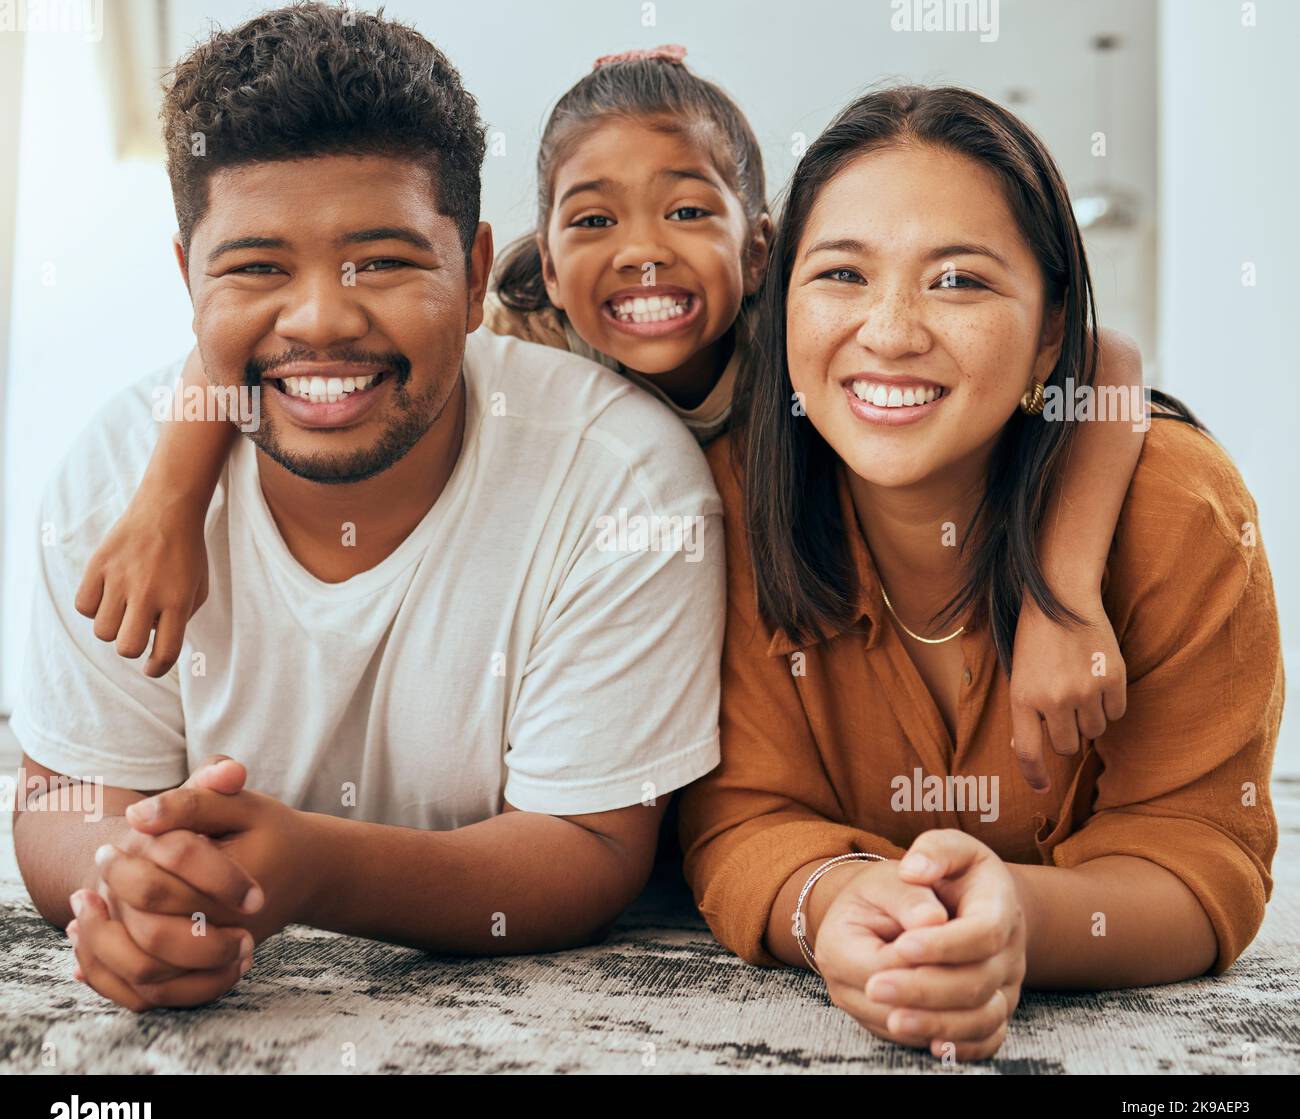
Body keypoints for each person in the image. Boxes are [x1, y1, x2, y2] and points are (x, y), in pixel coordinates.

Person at [84, 44, 1148, 790]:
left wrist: (1061, 597)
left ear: (759, 249)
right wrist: (170, 503)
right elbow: (277, 349)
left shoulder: (802, 329)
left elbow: (1104, 358)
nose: (641, 250)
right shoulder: (511, 334)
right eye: (594, 219)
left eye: (687, 211)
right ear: (544, 260)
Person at [10, 2, 724, 1012]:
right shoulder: (114, 484)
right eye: (256, 267)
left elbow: (589, 848)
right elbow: (62, 795)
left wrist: (309, 868)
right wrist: (137, 890)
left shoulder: (624, 482)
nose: (320, 319)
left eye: (383, 262)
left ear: (475, 274)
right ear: (187, 279)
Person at [679, 84, 1282, 1061]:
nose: (891, 329)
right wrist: (830, 903)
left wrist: (1023, 919)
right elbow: (741, 818)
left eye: (957, 281)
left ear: (1051, 333)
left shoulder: (1181, 515)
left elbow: (1198, 858)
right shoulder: (726, 502)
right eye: (840, 273)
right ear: (778, 302)